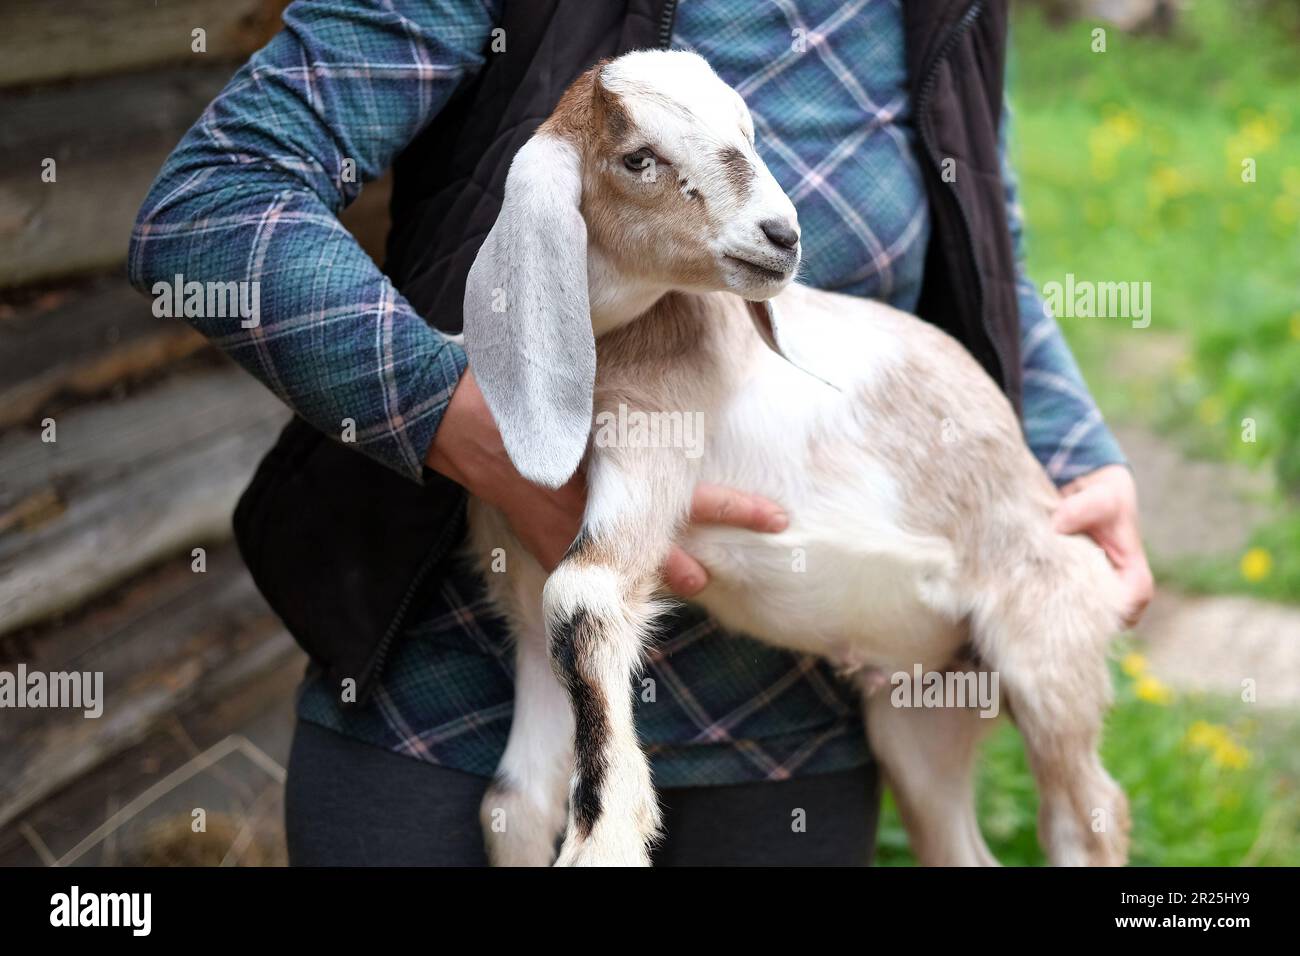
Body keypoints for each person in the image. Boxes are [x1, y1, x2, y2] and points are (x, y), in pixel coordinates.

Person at [129, 0, 1153, 866]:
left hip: (789, 732)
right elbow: (213, 208)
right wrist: (461, 419)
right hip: (457, 711)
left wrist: (1073, 448)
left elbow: (985, 233)